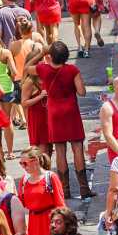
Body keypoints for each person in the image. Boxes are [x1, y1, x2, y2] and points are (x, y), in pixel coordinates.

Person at [35, 42, 92, 198]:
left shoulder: (43, 69)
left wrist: (42, 53)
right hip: (71, 111)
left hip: (54, 113)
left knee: (60, 151)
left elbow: (27, 67)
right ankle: (84, 188)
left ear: (51, 56)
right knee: (77, 148)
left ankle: (65, 190)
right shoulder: (72, 70)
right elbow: (82, 92)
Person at [15, 148, 65, 235]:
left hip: (50, 221)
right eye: (21, 163)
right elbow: (19, 204)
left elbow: (60, 205)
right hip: (34, 224)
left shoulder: (50, 177)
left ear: (36, 161)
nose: (23, 167)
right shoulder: (24, 180)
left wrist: (61, 226)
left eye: (25, 163)